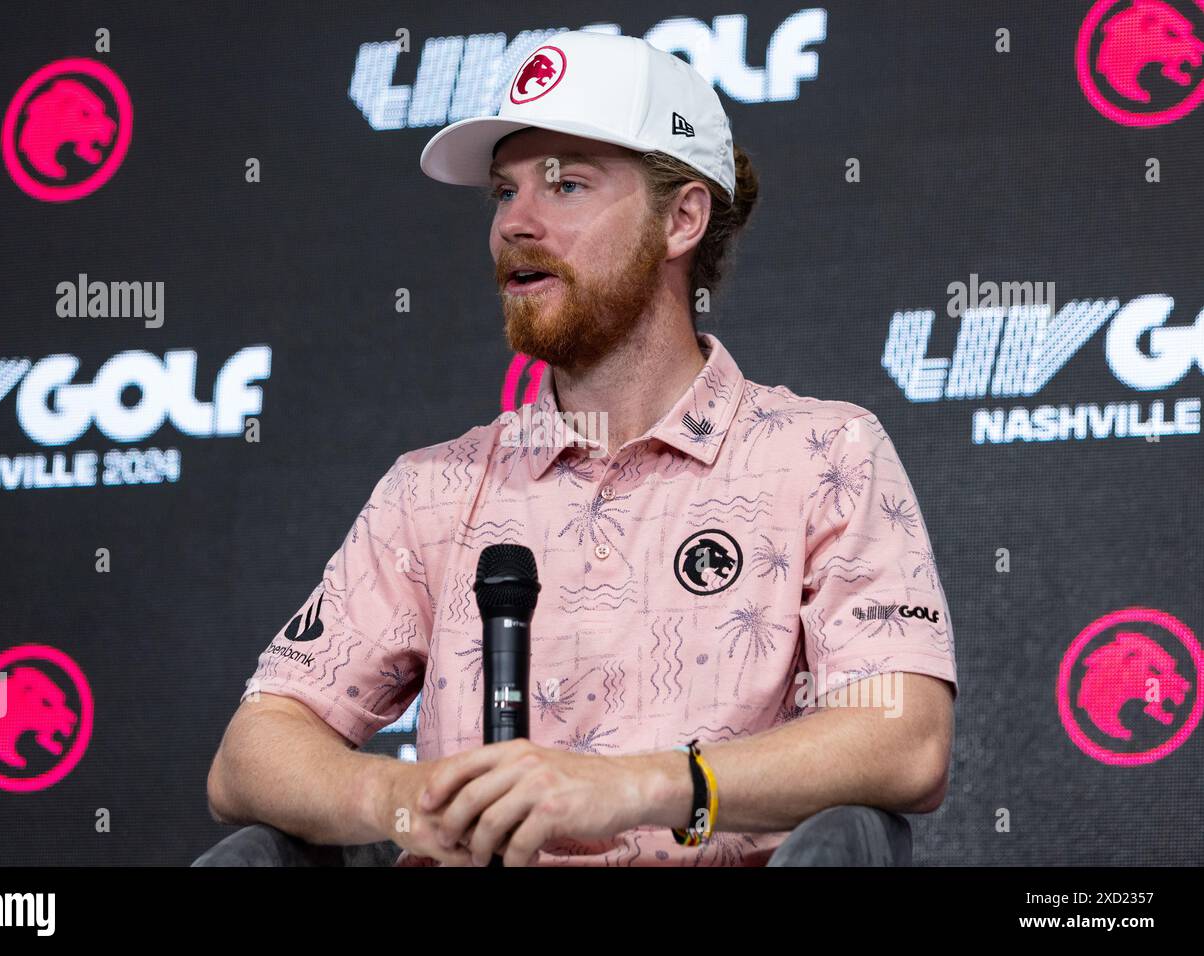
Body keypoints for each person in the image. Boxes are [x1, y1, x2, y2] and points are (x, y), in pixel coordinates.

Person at [200, 30, 956, 868]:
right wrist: (402, 799)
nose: (515, 224)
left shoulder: (823, 453)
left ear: (682, 218)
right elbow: (250, 753)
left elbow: (907, 740)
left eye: (566, 184)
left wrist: (635, 786)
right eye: (503, 192)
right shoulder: (434, 489)